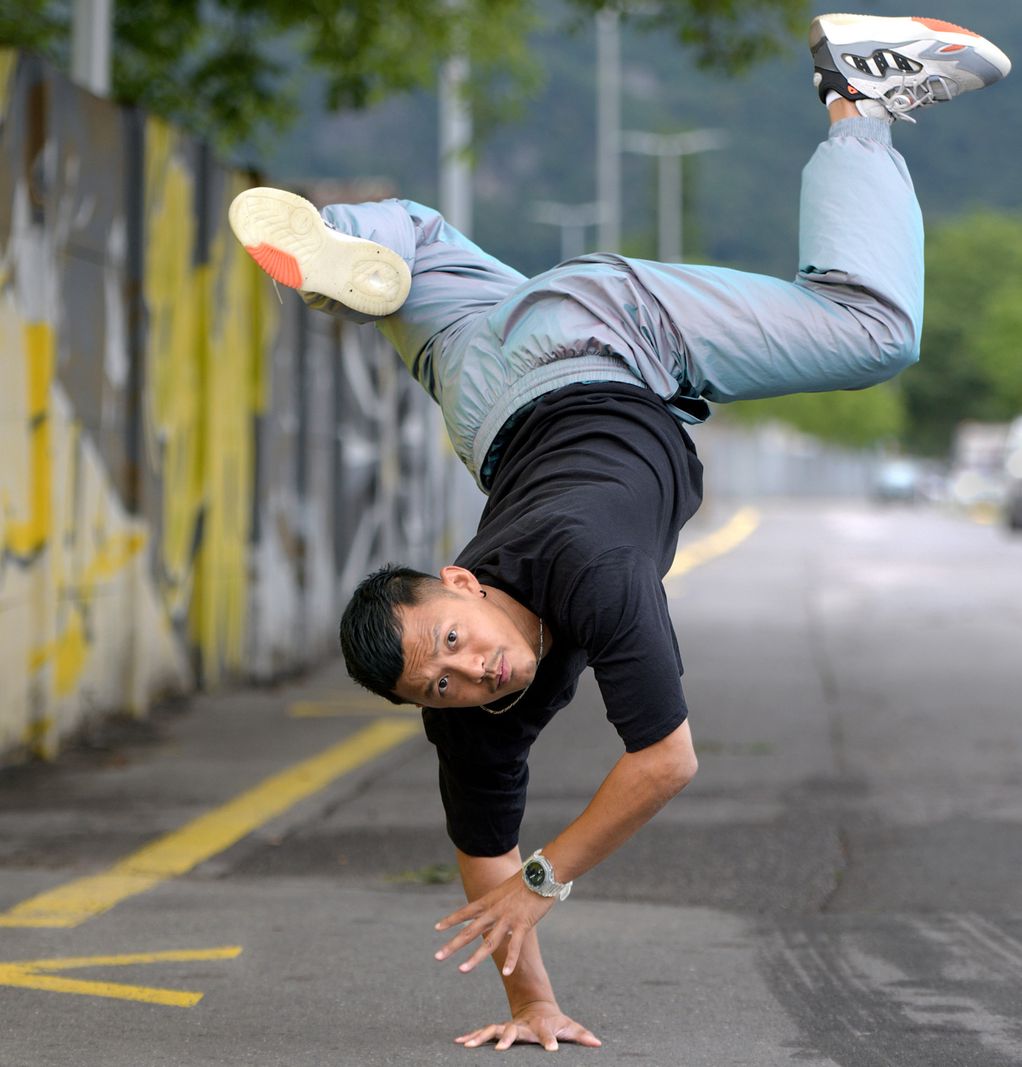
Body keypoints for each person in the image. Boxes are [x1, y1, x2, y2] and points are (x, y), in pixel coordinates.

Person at [229, 14, 1010, 1052]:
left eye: (453, 643)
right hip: (479, 374)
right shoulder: (470, 710)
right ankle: (368, 246)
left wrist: (549, 880)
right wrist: (530, 1005)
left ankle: (855, 98)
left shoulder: (592, 572)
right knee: (412, 249)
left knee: (874, 330)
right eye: (440, 685)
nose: (472, 674)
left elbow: (663, 761)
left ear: (458, 582)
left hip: (610, 337)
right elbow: (483, 863)